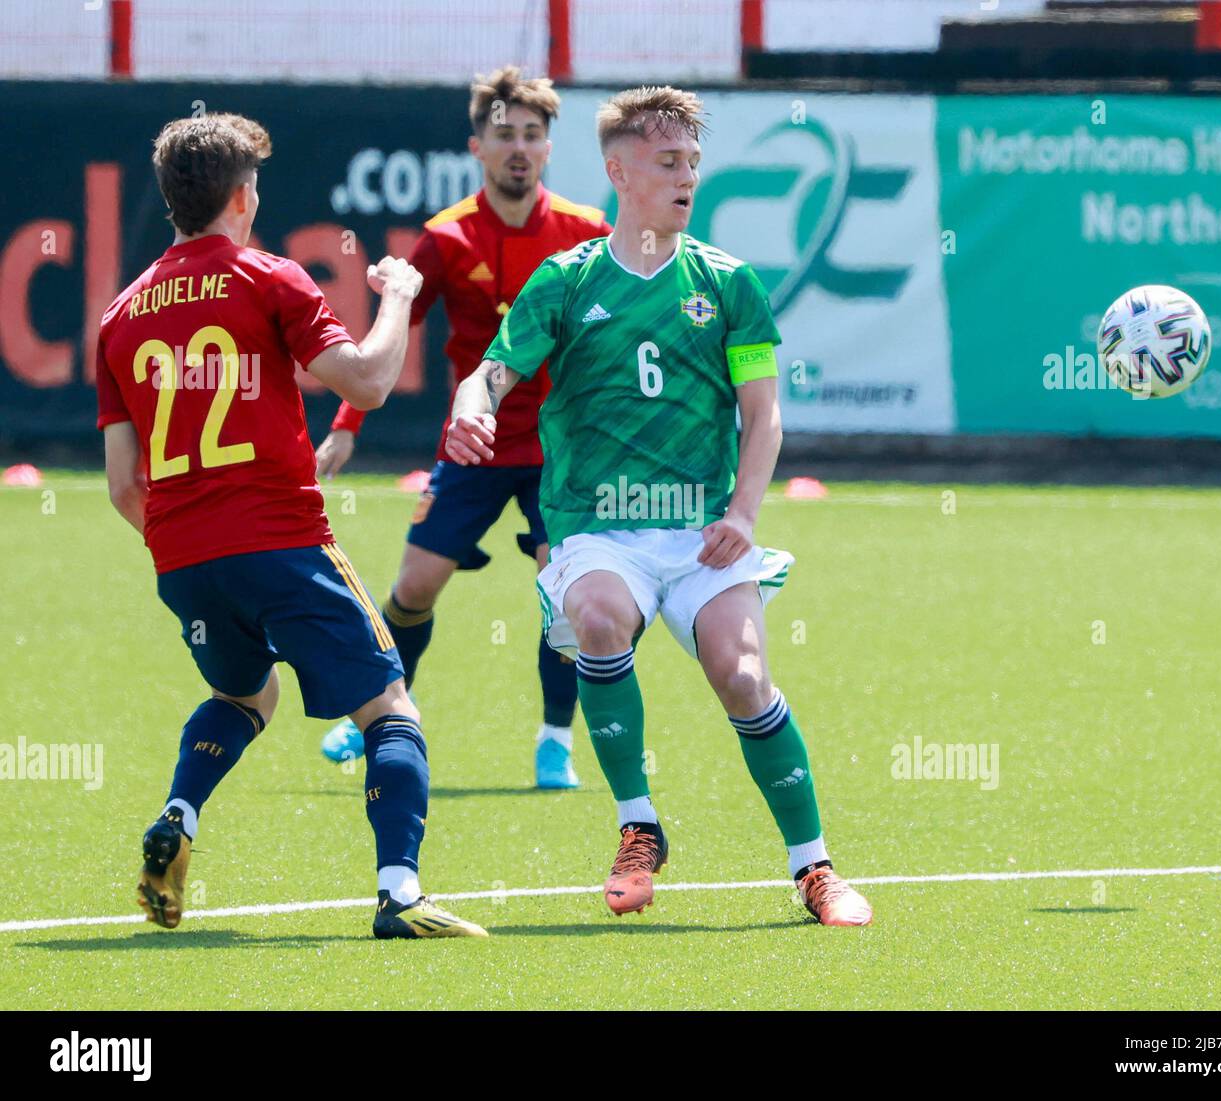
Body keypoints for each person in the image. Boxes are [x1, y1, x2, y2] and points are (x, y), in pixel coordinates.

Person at [442, 86, 873, 926]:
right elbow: (494, 369)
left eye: (693, 163)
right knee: (599, 621)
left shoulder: (729, 284)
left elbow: (763, 413)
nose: (687, 178)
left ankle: (813, 867)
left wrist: (744, 515)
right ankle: (639, 827)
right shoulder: (565, 282)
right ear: (619, 172)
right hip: (595, 529)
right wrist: (474, 405)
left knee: (744, 677)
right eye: (668, 162)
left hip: (704, 532)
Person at [97, 112, 486, 939]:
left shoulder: (121, 316)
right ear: (243, 196)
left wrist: (184, 543)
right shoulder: (267, 277)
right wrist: (402, 296)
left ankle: (180, 813)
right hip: (281, 541)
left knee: (244, 692)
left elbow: (121, 484)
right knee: (389, 708)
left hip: (185, 560)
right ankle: (399, 892)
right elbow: (371, 381)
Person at [315, 67, 612, 790]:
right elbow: (394, 329)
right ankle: (383, 718)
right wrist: (347, 423)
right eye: (504, 134)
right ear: (477, 145)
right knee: (414, 586)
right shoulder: (446, 238)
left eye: (532, 135)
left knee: (565, 595)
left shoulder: (586, 233)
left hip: (558, 449)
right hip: (472, 444)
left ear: (548, 148)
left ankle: (554, 741)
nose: (519, 147)